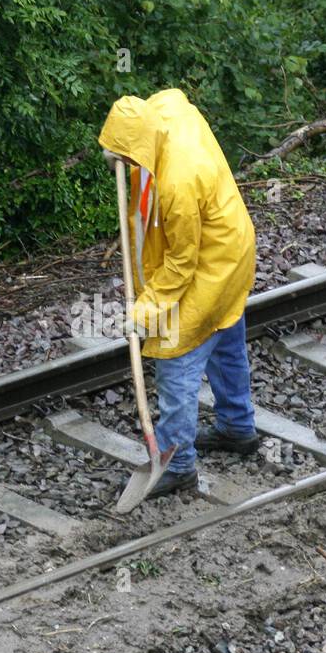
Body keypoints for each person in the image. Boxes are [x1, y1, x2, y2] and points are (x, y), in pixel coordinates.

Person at [98, 89, 258, 498]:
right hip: (233, 248)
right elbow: (173, 95)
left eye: (129, 158)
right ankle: (237, 429)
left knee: (175, 361)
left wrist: (145, 313)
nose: (128, 165)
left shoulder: (179, 183)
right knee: (225, 342)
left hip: (212, 268)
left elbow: (181, 266)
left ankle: (179, 464)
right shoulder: (164, 114)